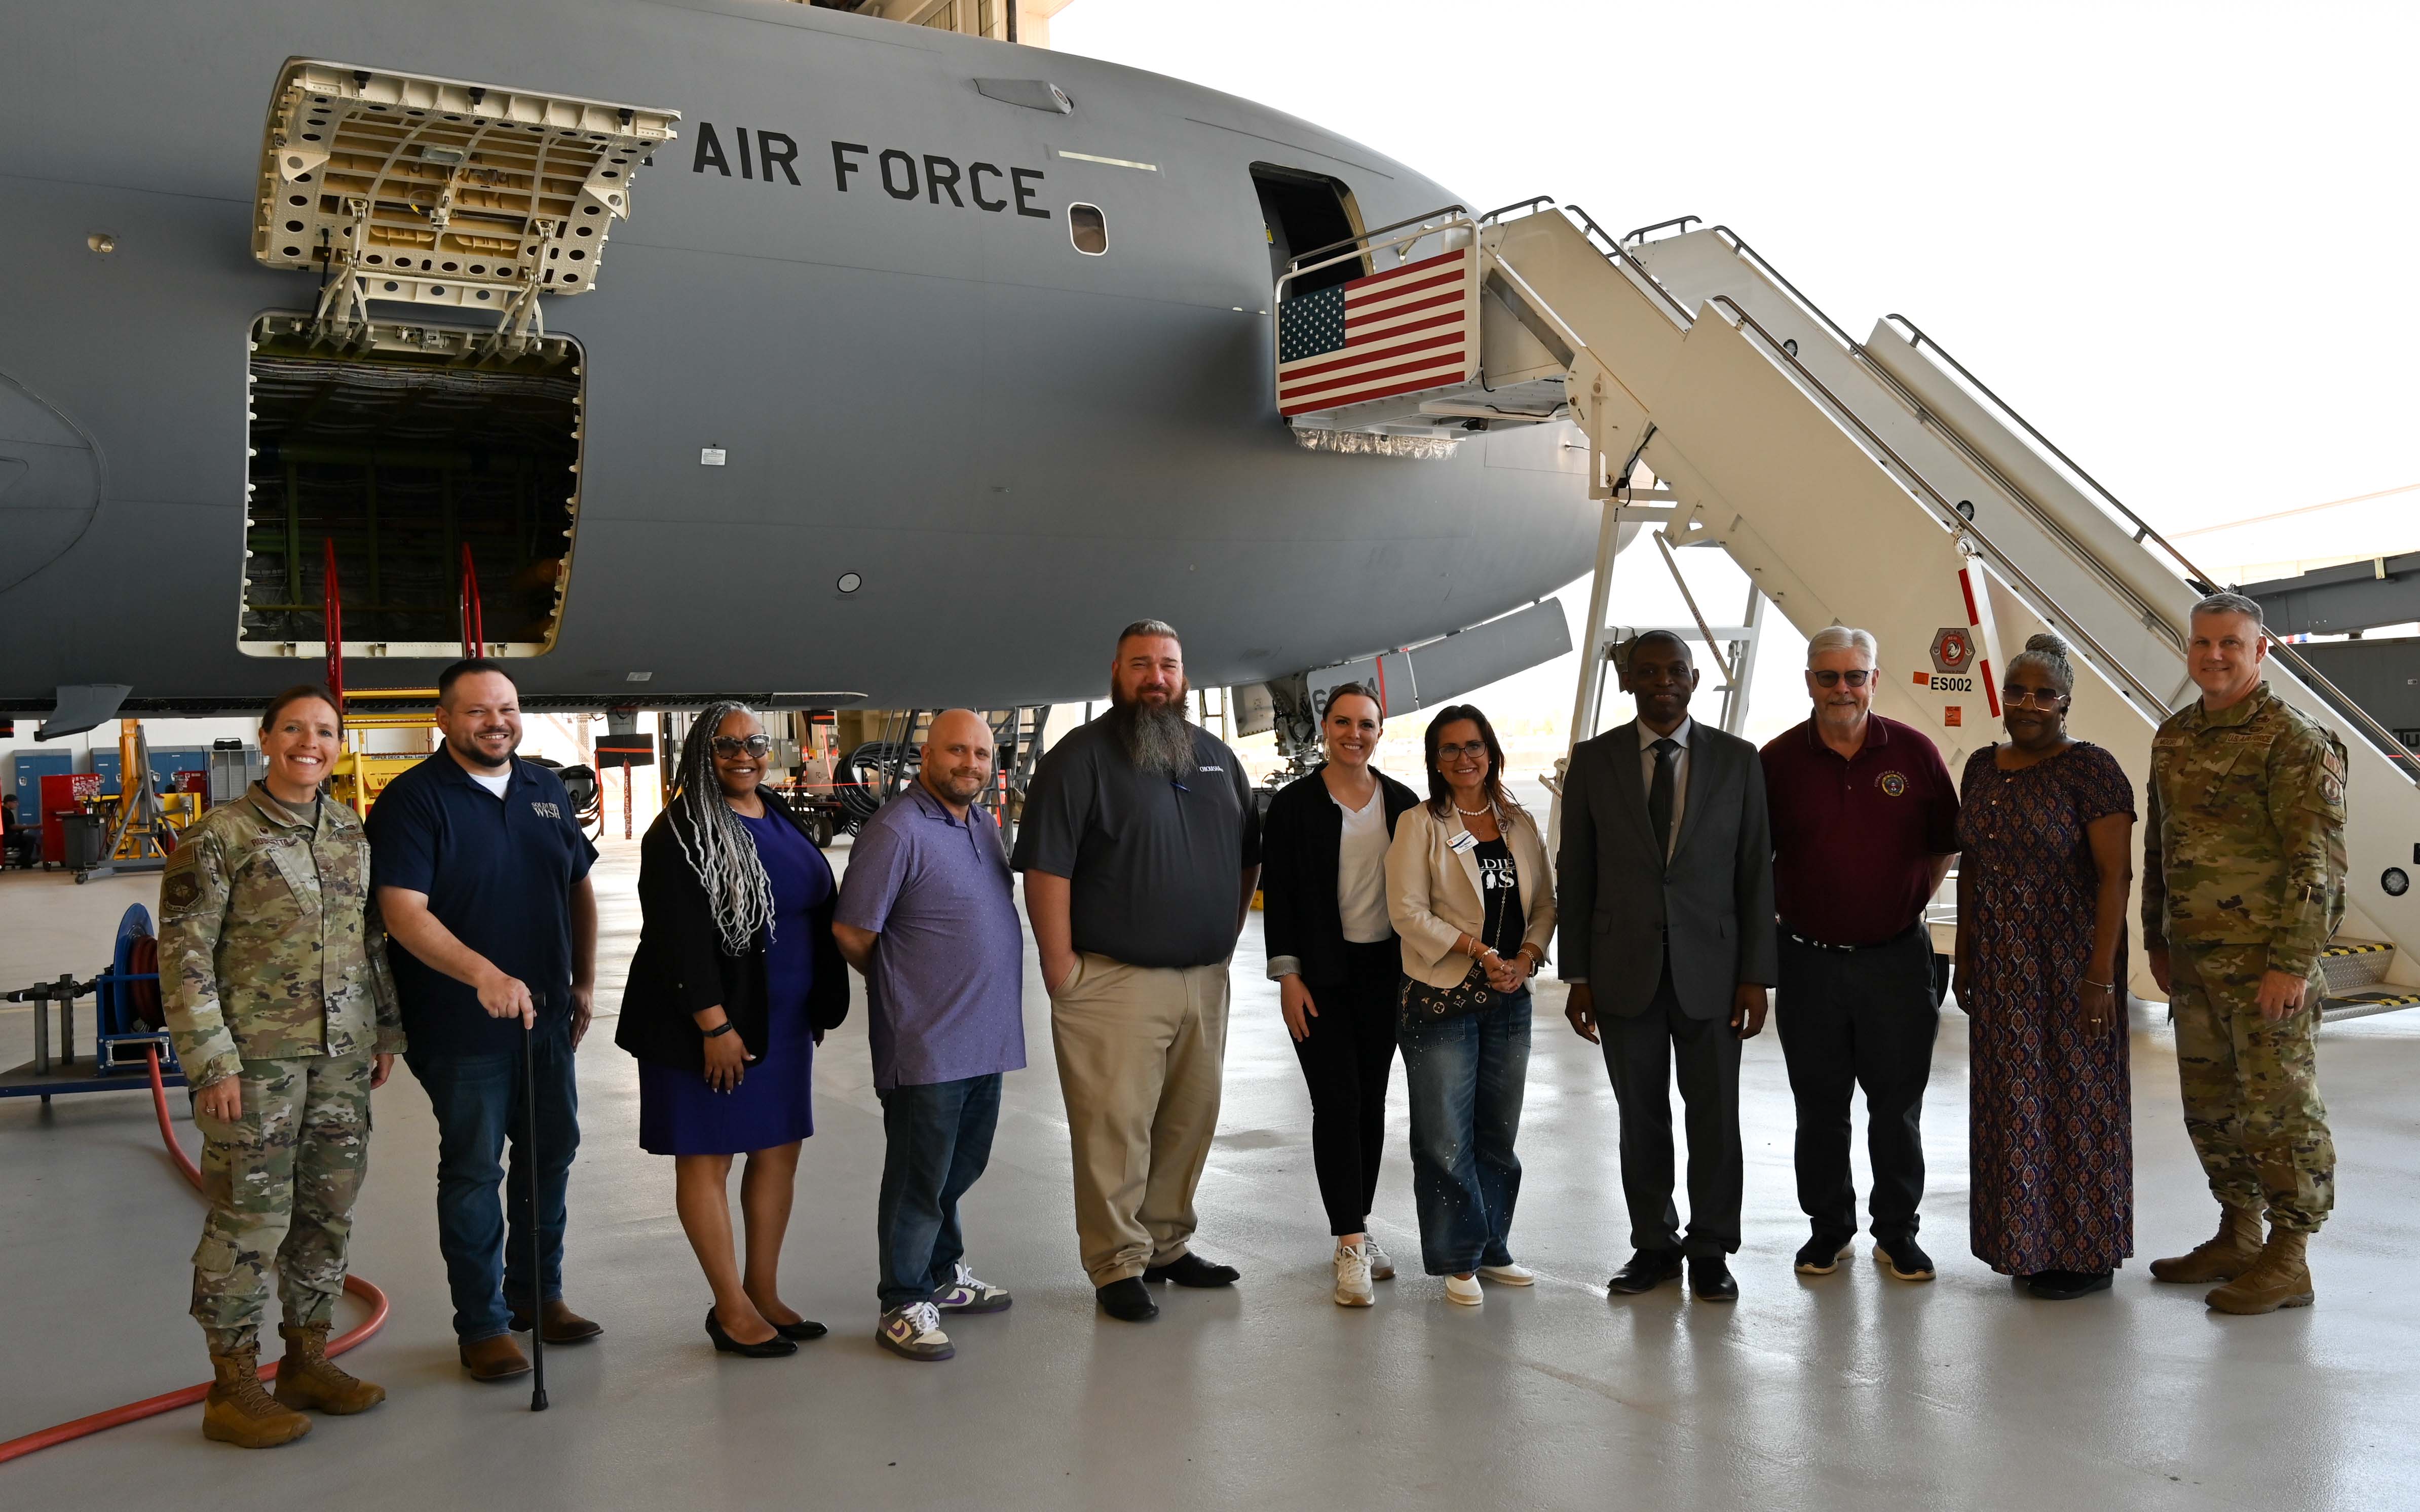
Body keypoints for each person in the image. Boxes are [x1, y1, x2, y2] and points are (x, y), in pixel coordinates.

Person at [159, 685, 402, 1448]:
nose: (311, 741)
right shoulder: (219, 836)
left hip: (341, 1056)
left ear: (338, 745)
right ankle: (232, 1388)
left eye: (325, 731)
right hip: (253, 1066)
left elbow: (370, 941)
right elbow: (185, 957)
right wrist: (211, 1063)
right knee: (250, 1220)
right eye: (293, 728)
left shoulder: (346, 830)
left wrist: (382, 1032)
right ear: (266, 739)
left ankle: (306, 1361)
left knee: (325, 1211)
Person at [1011, 621, 1262, 1323]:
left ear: (1185, 676)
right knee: (1115, 1127)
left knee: (1190, 1119)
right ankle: (1117, 1262)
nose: (1157, 677)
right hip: (1113, 980)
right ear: (1115, 672)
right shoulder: (1079, 759)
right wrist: (1061, 967)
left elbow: (1247, 855)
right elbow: (1047, 867)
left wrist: (1226, 931)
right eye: (1142, 665)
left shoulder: (1216, 758)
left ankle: (1167, 1245)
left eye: (1169, 666)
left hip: (1203, 979)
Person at [369, 659, 600, 1381]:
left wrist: (584, 979)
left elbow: (578, 884)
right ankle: (483, 1325)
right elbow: (403, 914)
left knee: (548, 1156)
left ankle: (539, 1297)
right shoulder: (413, 801)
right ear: (442, 719)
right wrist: (483, 975)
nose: (495, 722)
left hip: (547, 1023)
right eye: (476, 711)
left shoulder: (544, 788)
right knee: (473, 1170)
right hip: (461, 1028)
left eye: (506, 708)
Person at [617, 702, 847, 1359]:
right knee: (710, 1155)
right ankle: (730, 1307)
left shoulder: (775, 812)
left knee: (778, 1149)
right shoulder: (680, 833)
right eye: (725, 745)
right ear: (700, 753)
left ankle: (764, 1291)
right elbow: (678, 941)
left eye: (753, 742)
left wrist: (816, 1004)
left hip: (782, 1025)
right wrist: (713, 1024)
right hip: (707, 1028)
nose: (744, 755)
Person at [2142, 593, 2347, 1314]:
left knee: (2279, 1111)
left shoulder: (2293, 740)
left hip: (2268, 970)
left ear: (2260, 651)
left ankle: (2289, 1258)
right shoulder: (2174, 738)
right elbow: (2159, 849)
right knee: (2213, 1109)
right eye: (2202, 643)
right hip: (2197, 967)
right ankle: (2238, 1233)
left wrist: (2292, 963)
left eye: (2231, 643)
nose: (2214, 656)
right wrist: (2155, 940)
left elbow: (2317, 865)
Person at [1558, 631, 1776, 1304]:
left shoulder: (1738, 761)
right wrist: (1579, 976)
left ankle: (1712, 1247)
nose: (1663, 681)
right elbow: (1579, 869)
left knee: (1715, 1116)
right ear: (1626, 680)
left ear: (1695, 676)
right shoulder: (1594, 762)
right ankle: (1653, 1244)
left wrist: (1755, 975)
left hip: (1712, 970)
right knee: (1641, 1116)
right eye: (1647, 671)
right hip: (1623, 970)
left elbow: (1753, 870)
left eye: (1675, 669)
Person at [1759, 627, 1959, 1284]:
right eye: (1828, 676)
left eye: (1855, 676)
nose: (1841, 689)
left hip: (1897, 963)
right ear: (1809, 680)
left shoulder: (1916, 753)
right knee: (1819, 1107)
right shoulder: (1777, 762)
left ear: (1876, 679)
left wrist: (1901, 907)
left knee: (1895, 1109)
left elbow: (1941, 847)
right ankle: (1829, 1231)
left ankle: (1897, 1233)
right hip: (1808, 963)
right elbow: (1753, 862)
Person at [835, 710, 1026, 1363]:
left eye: (980, 754)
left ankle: (943, 1276)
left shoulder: (984, 825)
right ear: (925, 755)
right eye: (956, 751)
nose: (970, 764)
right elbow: (853, 932)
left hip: (987, 1039)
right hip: (927, 1044)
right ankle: (902, 1299)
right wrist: (905, 989)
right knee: (919, 1177)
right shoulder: (896, 830)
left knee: (959, 1167)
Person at [1952, 634, 2137, 1299]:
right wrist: (1965, 952)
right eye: (2018, 692)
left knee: (2078, 1103)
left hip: (2070, 965)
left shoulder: (2091, 770)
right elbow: (1971, 863)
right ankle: (2025, 1244)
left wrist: (2101, 977)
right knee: (2012, 1105)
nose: (2029, 704)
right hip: (2002, 969)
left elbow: (2116, 876)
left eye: (2044, 694)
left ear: (2065, 703)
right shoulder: (1979, 766)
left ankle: (2086, 1256)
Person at [1384, 705, 1556, 1307]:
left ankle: (1493, 1246)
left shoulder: (1519, 822)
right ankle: (1459, 1257)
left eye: (1474, 746)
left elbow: (1546, 905)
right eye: (1450, 748)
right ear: (1435, 759)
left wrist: (1527, 958)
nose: (1465, 758)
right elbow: (1406, 911)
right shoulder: (1420, 824)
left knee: (1497, 1133)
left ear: (1492, 751)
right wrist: (1480, 951)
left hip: (1510, 997)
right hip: (1441, 995)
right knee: (1444, 1136)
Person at [1260, 683, 1421, 1306]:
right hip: (1321, 977)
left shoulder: (1403, 803)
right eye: (1344, 722)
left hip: (1385, 976)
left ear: (1380, 733)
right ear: (1326, 728)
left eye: (1367, 724)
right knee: (1338, 1102)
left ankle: (1359, 1222)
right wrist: (1288, 976)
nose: (1355, 733)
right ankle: (1349, 1243)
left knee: (1372, 1105)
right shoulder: (1296, 806)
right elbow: (1282, 899)